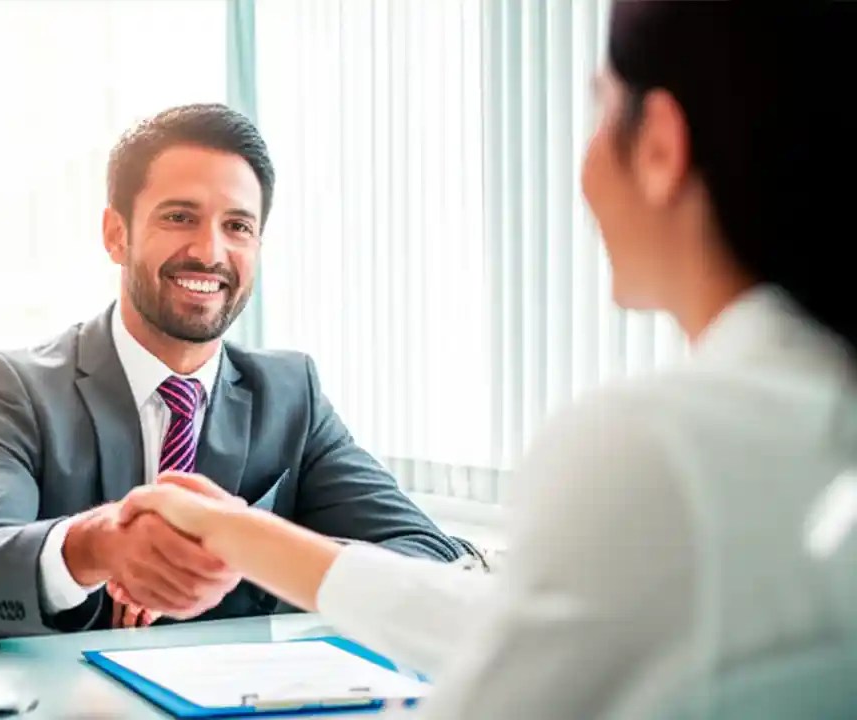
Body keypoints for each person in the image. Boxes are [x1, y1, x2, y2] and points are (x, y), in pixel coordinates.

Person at [116, 2, 857, 717]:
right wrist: (239, 535)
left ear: (660, 144)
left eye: (600, 112)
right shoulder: (810, 412)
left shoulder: (656, 444)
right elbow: (515, 623)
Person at [0, 104, 464, 638]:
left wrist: (247, 548)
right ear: (117, 233)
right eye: (179, 217)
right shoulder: (12, 387)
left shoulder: (290, 395)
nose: (210, 252)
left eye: (237, 226)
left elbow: (427, 558)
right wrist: (102, 546)